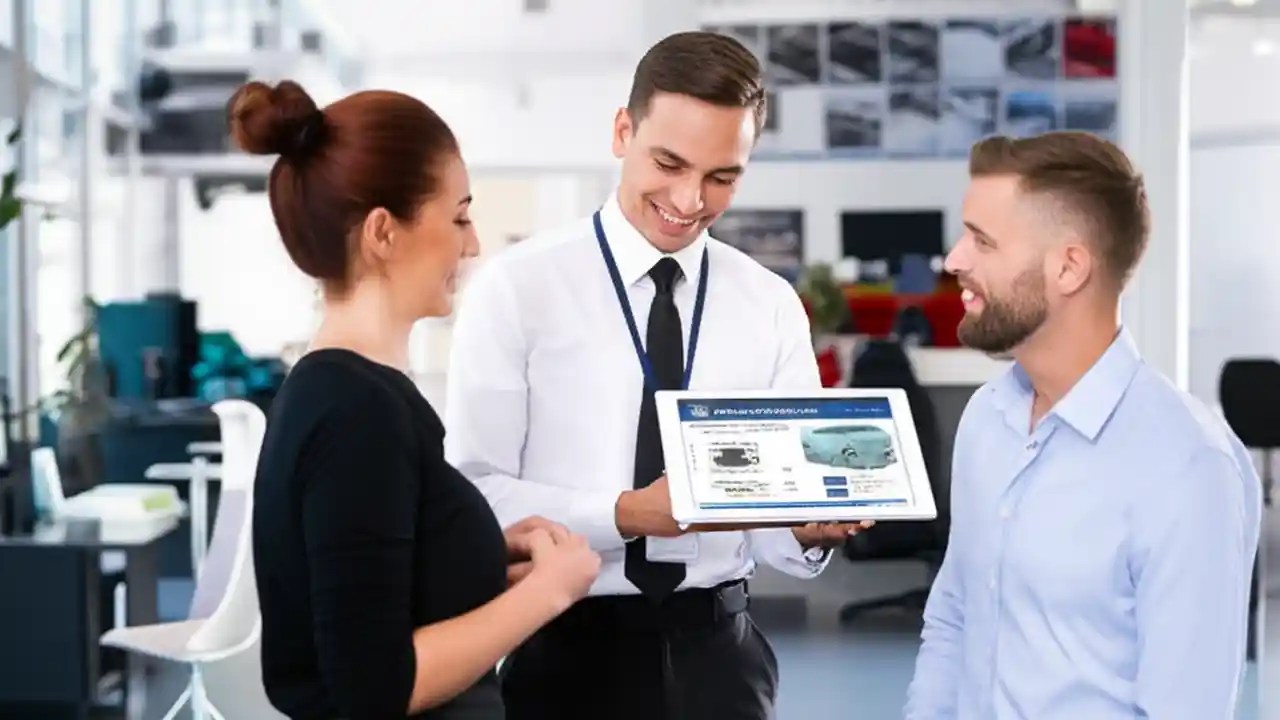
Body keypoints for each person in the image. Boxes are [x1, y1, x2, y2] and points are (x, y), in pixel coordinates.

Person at [443, 31, 869, 720]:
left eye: (722, 177)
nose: (689, 199)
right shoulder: (518, 288)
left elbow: (771, 527)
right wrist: (627, 514)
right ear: (622, 131)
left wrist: (806, 530)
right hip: (565, 648)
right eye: (669, 163)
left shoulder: (768, 304)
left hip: (722, 656)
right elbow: (474, 495)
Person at [235, 79, 602, 720]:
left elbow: (371, 593)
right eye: (458, 217)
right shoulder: (356, 413)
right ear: (383, 232)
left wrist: (480, 548)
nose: (473, 244)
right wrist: (549, 591)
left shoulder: (347, 394)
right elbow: (374, 687)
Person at [904, 131, 1262, 719]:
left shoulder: (1190, 467)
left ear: (1069, 267)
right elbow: (954, 620)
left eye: (982, 241)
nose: (954, 261)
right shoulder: (987, 419)